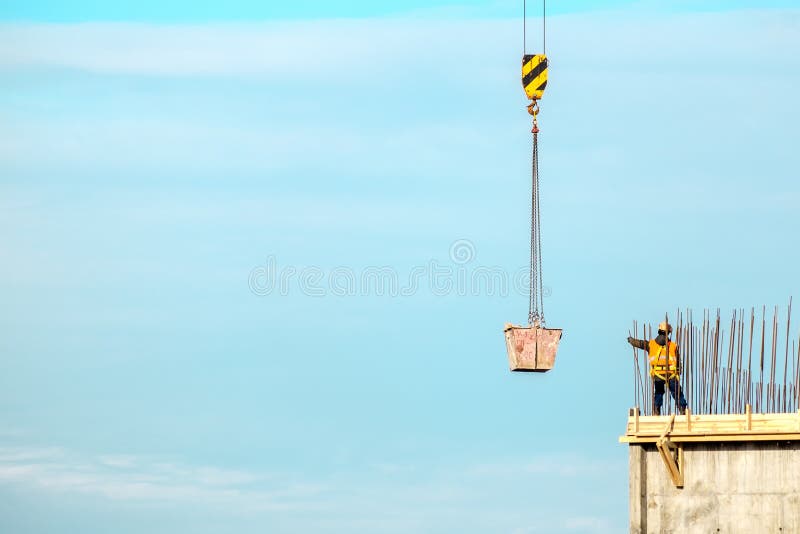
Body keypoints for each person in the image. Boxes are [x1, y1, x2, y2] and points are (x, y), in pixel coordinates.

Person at [627, 321, 688, 415]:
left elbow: (640, 343)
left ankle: (656, 410)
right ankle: (683, 409)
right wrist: (679, 371)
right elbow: (678, 362)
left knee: (659, 392)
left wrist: (631, 340)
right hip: (671, 374)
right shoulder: (673, 346)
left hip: (658, 374)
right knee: (677, 392)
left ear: (659, 331)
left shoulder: (651, 344)